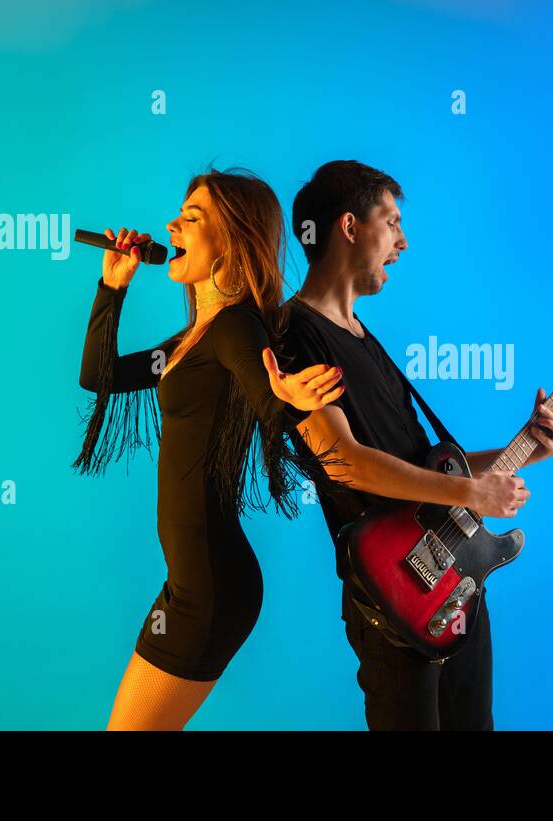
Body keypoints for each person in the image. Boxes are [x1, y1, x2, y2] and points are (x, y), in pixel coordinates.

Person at [280, 161, 553, 730]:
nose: (403, 243)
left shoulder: (368, 340)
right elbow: (347, 462)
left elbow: (418, 465)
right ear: (349, 226)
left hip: (455, 588)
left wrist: (529, 447)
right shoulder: (295, 333)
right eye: (392, 223)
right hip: (392, 594)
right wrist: (470, 490)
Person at [74, 168, 344, 730]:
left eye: (192, 219)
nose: (171, 224)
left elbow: (265, 392)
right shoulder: (190, 340)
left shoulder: (235, 328)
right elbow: (98, 375)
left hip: (211, 589)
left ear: (233, 240)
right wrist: (113, 286)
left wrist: (288, 399)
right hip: (188, 586)